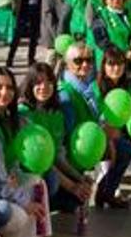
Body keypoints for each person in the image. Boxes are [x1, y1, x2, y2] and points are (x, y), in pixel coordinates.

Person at [0, 67, 50, 237]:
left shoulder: (7, 116)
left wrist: (14, 174)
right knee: (15, 214)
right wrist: (24, 202)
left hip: (3, 183)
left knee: (37, 182)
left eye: (9, 87)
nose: (4, 92)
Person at [59, 42, 131, 208]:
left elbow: (98, 119)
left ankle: (106, 192)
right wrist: (76, 178)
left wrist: (108, 141)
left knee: (124, 148)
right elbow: (66, 138)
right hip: (73, 154)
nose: (85, 64)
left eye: (89, 60)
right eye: (78, 61)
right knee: (72, 203)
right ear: (67, 64)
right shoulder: (65, 94)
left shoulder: (87, 87)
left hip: (92, 144)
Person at [20, 63, 92, 212]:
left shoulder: (56, 113)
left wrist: (78, 178)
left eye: (49, 82)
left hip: (50, 167)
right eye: (38, 82)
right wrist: (72, 186)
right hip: (28, 171)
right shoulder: (23, 113)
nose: (44, 87)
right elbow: (43, 161)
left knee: (77, 197)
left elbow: (58, 155)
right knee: (53, 180)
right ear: (30, 85)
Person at [87, 0, 131, 90]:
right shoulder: (100, 16)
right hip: (110, 65)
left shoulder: (130, 14)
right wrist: (123, 53)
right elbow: (101, 41)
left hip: (129, 65)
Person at [9, 0, 47, 67]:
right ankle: (10, 58)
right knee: (18, 35)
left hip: (36, 8)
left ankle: (31, 59)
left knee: (34, 36)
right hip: (24, 9)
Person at [38, 0, 69, 69]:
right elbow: (49, 20)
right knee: (50, 62)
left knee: (62, 63)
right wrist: (58, 37)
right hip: (52, 35)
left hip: (64, 35)